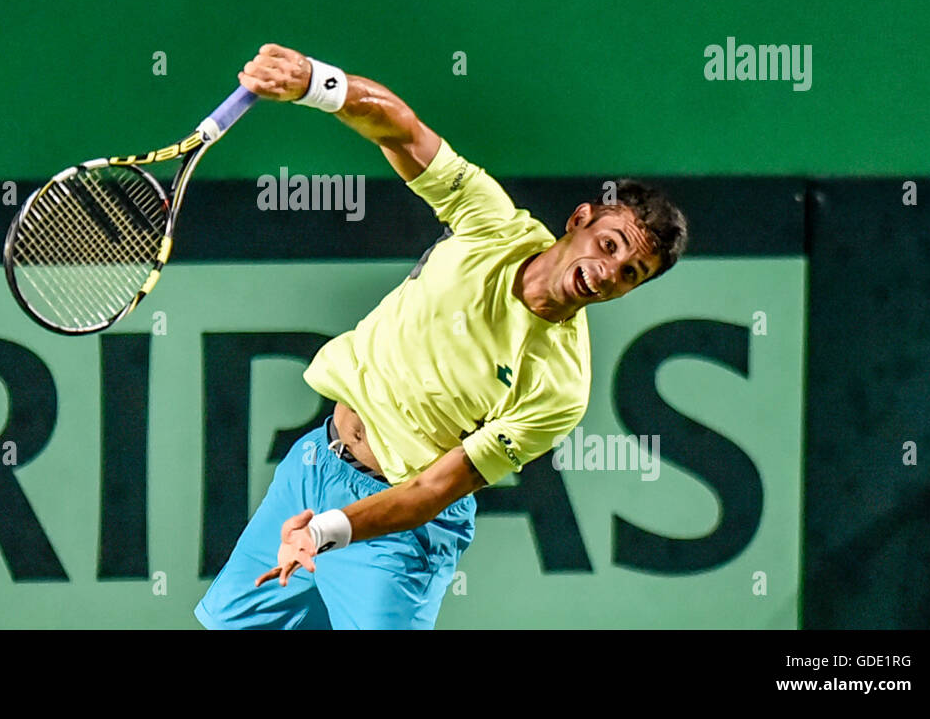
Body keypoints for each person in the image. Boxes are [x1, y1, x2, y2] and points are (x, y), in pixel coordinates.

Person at [194, 43, 689, 629]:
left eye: (631, 275)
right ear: (579, 219)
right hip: (313, 465)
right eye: (610, 246)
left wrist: (329, 530)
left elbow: (432, 489)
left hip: (400, 532)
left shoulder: (559, 388)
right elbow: (400, 131)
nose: (609, 272)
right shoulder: (490, 223)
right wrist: (314, 82)